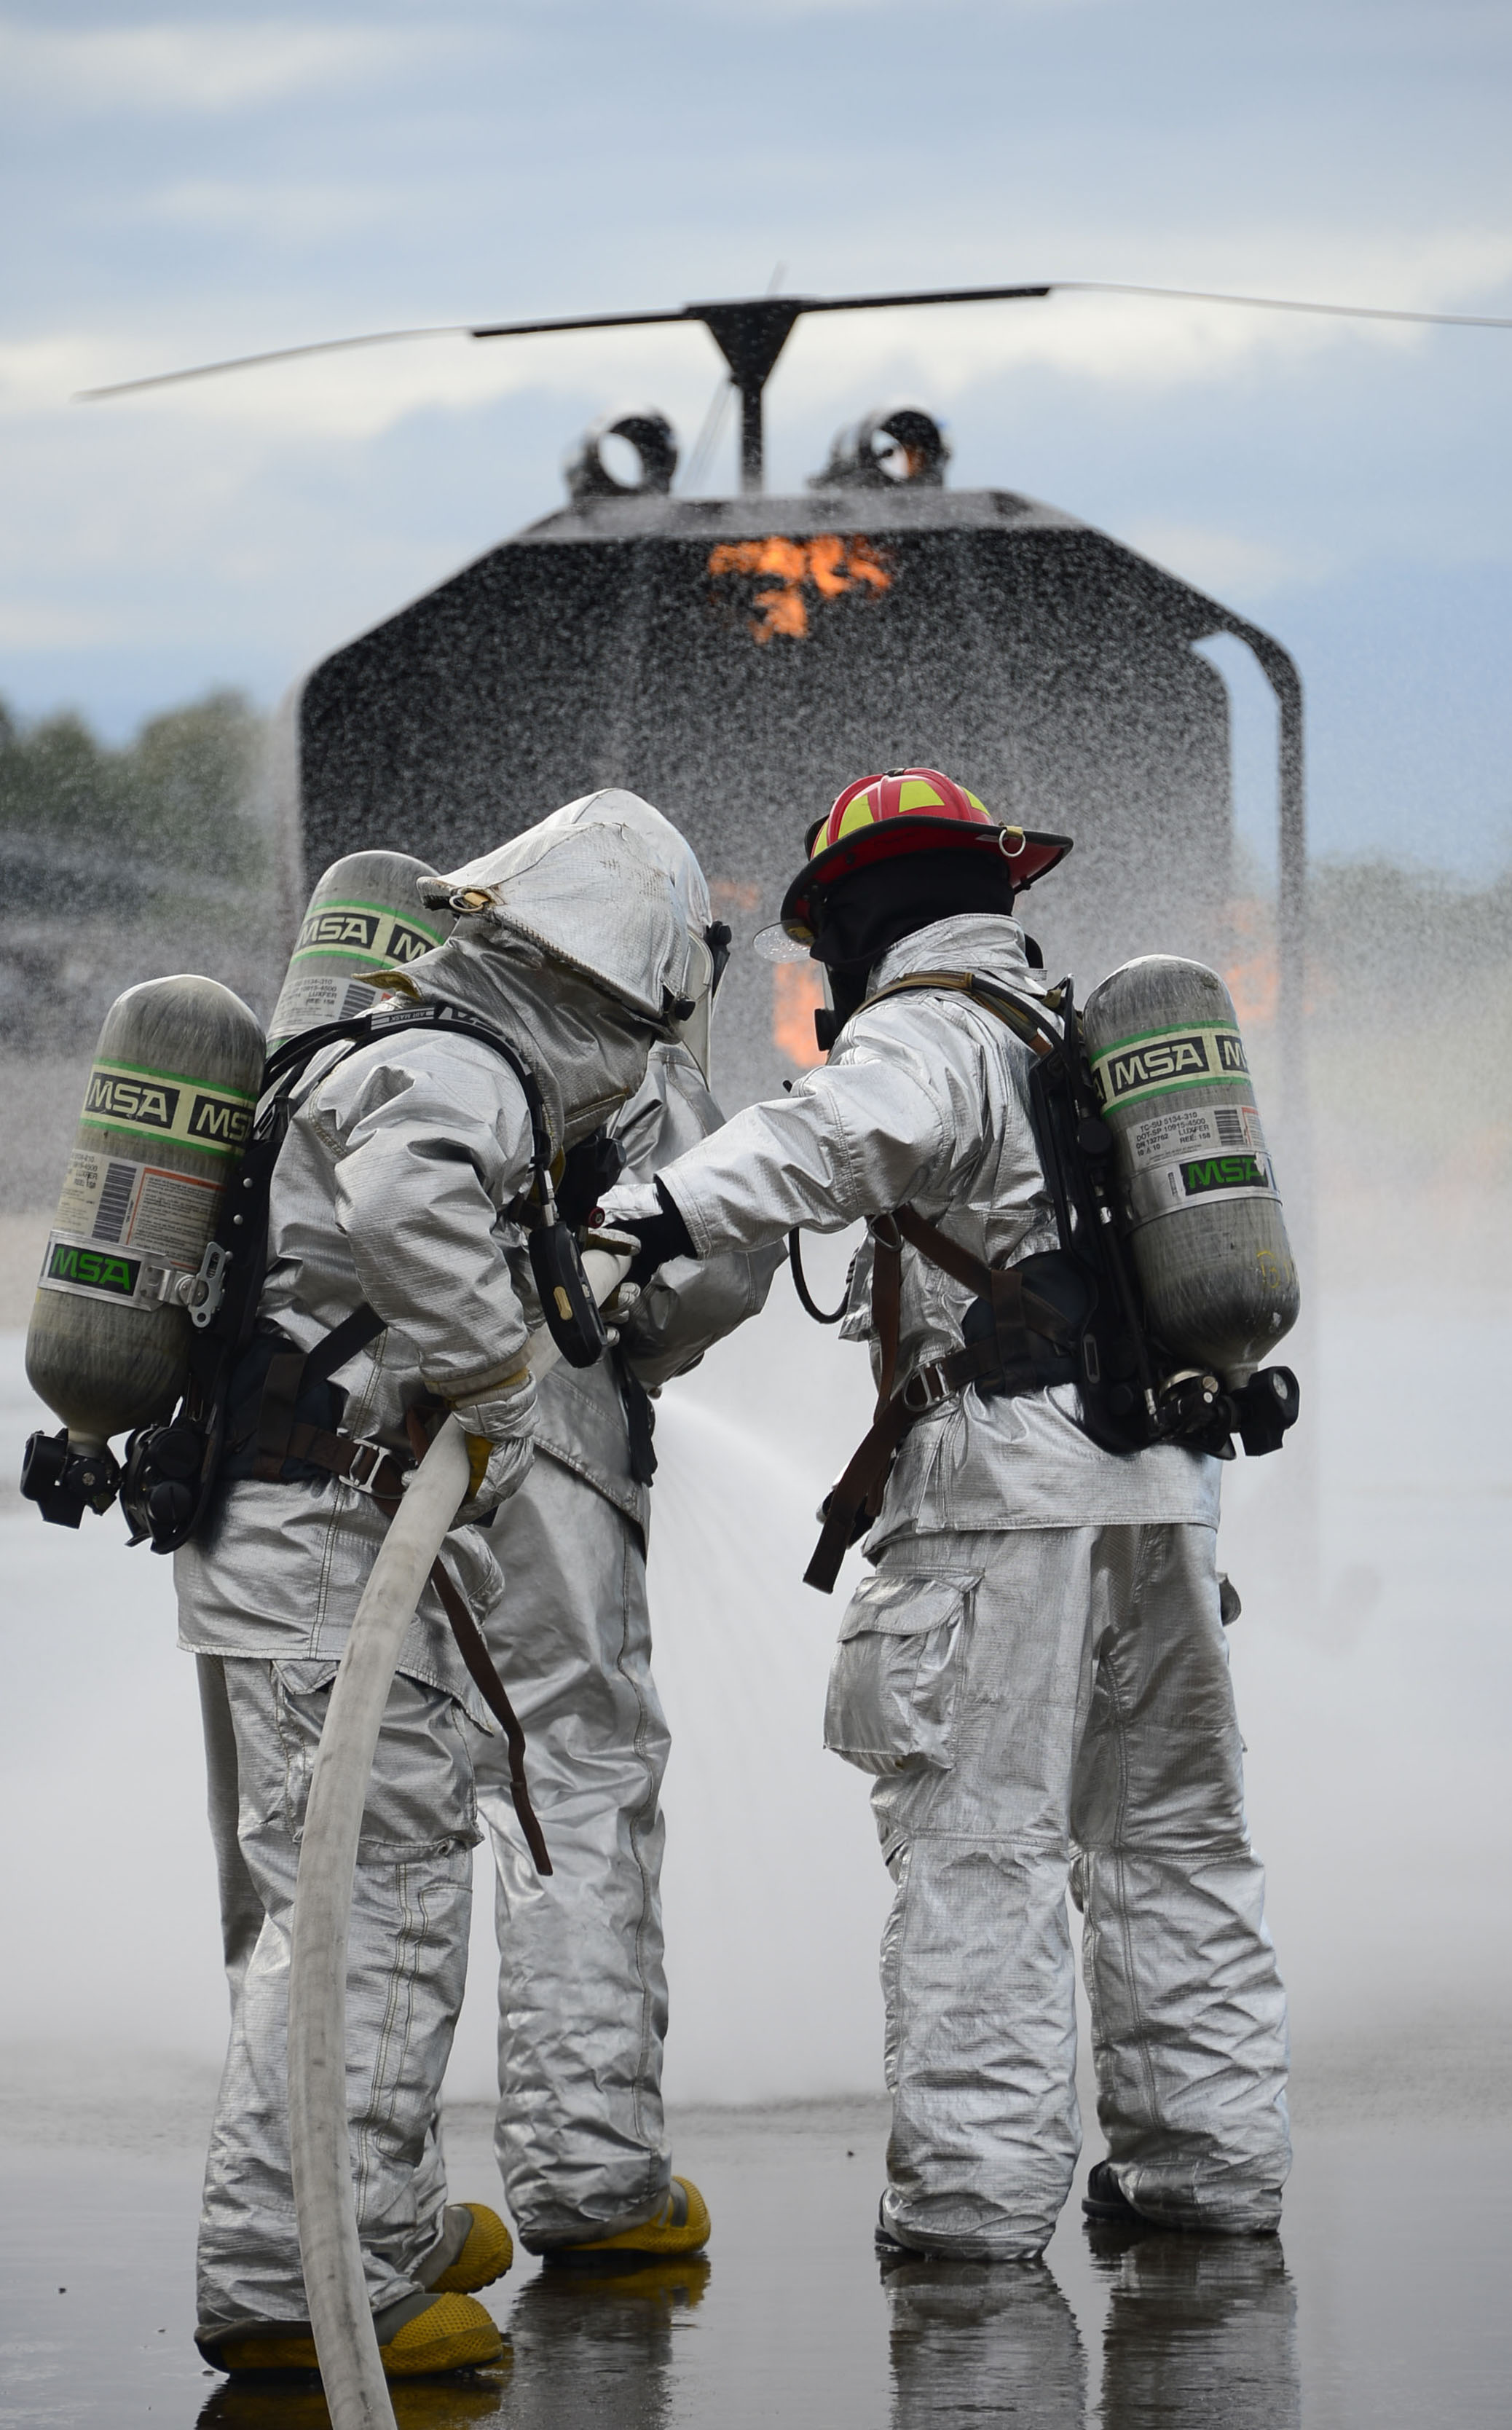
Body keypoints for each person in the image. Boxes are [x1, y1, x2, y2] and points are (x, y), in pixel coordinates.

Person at [605, 767, 1291, 2261]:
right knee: (1176, 1844)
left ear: (859, 917)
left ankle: (973, 2210)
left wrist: (649, 1214)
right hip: (1160, 1494)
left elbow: (836, 1138)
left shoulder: (929, 1027)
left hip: (1001, 1502)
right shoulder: (1067, 1033)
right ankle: (1207, 2173)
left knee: (983, 1850)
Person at [178, 791, 712, 2377]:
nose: (631, 1060)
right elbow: (412, 1204)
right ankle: (295, 2280)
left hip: (307, 1540)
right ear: (594, 990)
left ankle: (382, 2227)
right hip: (329, 1552)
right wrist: (495, 1385)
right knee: (369, 1905)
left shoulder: (396, 1045)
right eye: (636, 1027)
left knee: (363, 1888)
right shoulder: (459, 1066)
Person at [474, 835, 778, 2262]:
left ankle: (341, 2222)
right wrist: (623, 1358)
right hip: (544, 1439)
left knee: (372, 1823)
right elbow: (715, 1262)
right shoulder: (627, 1066)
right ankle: (592, 2183)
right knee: (576, 1785)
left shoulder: (399, 1037)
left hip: (333, 1467)